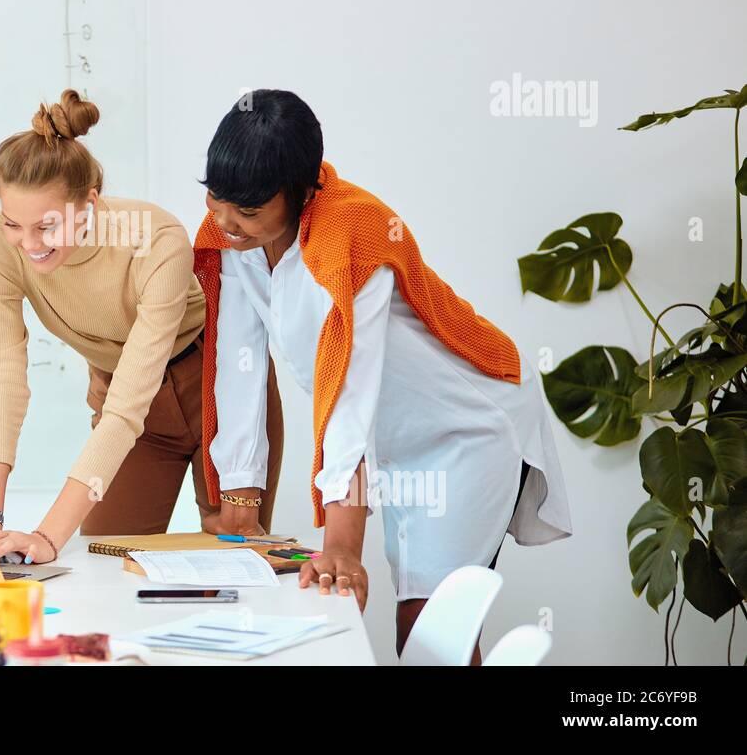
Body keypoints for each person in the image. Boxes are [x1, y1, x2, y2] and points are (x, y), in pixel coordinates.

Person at [195, 89, 571, 659]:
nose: (225, 223)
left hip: (466, 428)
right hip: (394, 440)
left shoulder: (352, 233)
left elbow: (348, 389)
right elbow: (239, 370)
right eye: (216, 200)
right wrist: (240, 513)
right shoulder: (233, 237)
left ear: (300, 192)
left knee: (429, 632)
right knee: (423, 631)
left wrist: (344, 545)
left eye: (246, 212)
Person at [0, 90, 284, 566]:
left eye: (47, 226)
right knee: (103, 558)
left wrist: (46, 536)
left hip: (219, 388)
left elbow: (127, 406)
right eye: (15, 223)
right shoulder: (0, 244)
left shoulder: (157, 239)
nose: (28, 244)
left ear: (90, 204)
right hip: (124, 398)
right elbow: (3, 378)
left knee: (233, 557)